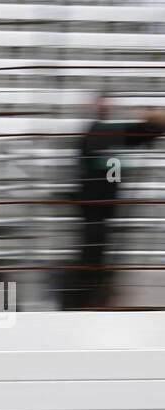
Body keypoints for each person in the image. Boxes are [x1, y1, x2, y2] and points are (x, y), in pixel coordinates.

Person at [64, 100, 165, 309]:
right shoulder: (99, 131)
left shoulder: (101, 134)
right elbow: (131, 137)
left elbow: (130, 140)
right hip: (96, 204)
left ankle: (91, 291)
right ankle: (88, 293)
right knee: (93, 249)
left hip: (97, 205)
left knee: (95, 249)